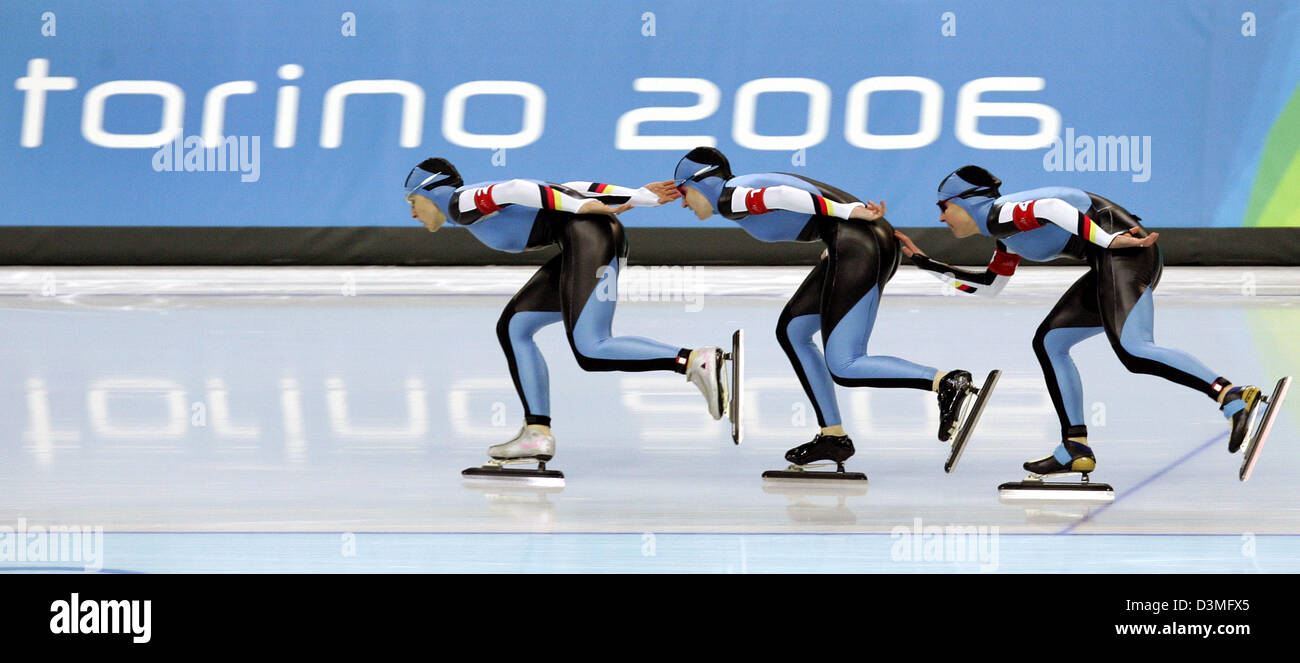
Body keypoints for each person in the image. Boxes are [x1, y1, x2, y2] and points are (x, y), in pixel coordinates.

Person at [895, 165, 1261, 477]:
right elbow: (990, 287)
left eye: (943, 207)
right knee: (1050, 342)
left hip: (1125, 253)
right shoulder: (1005, 238)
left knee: (1135, 351)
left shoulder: (998, 213)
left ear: (965, 201)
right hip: (1110, 261)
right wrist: (929, 265)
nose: (941, 217)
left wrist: (1106, 240)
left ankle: (1231, 396)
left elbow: (1054, 208)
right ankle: (1075, 446)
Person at [404, 158, 729, 465]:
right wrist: (638, 195)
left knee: (592, 348)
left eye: (412, 202)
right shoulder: (470, 207)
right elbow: (570, 186)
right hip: (589, 239)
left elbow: (519, 187)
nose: (413, 214)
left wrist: (581, 206)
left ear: (428, 191)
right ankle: (536, 434)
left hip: (590, 239)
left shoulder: (461, 202)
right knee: (515, 327)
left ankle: (694, 360)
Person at [670, 147, 980, 470]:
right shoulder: (737, 192)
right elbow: (797, 199)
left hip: (858, 243)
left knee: (846, 364)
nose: (682, 202)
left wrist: (847, 214)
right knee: (792, 331)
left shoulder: (729, 197)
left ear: (703, 182)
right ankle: (833, 436)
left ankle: (947, 382)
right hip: (849, 243)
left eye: (684, 192)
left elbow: (783, 195)